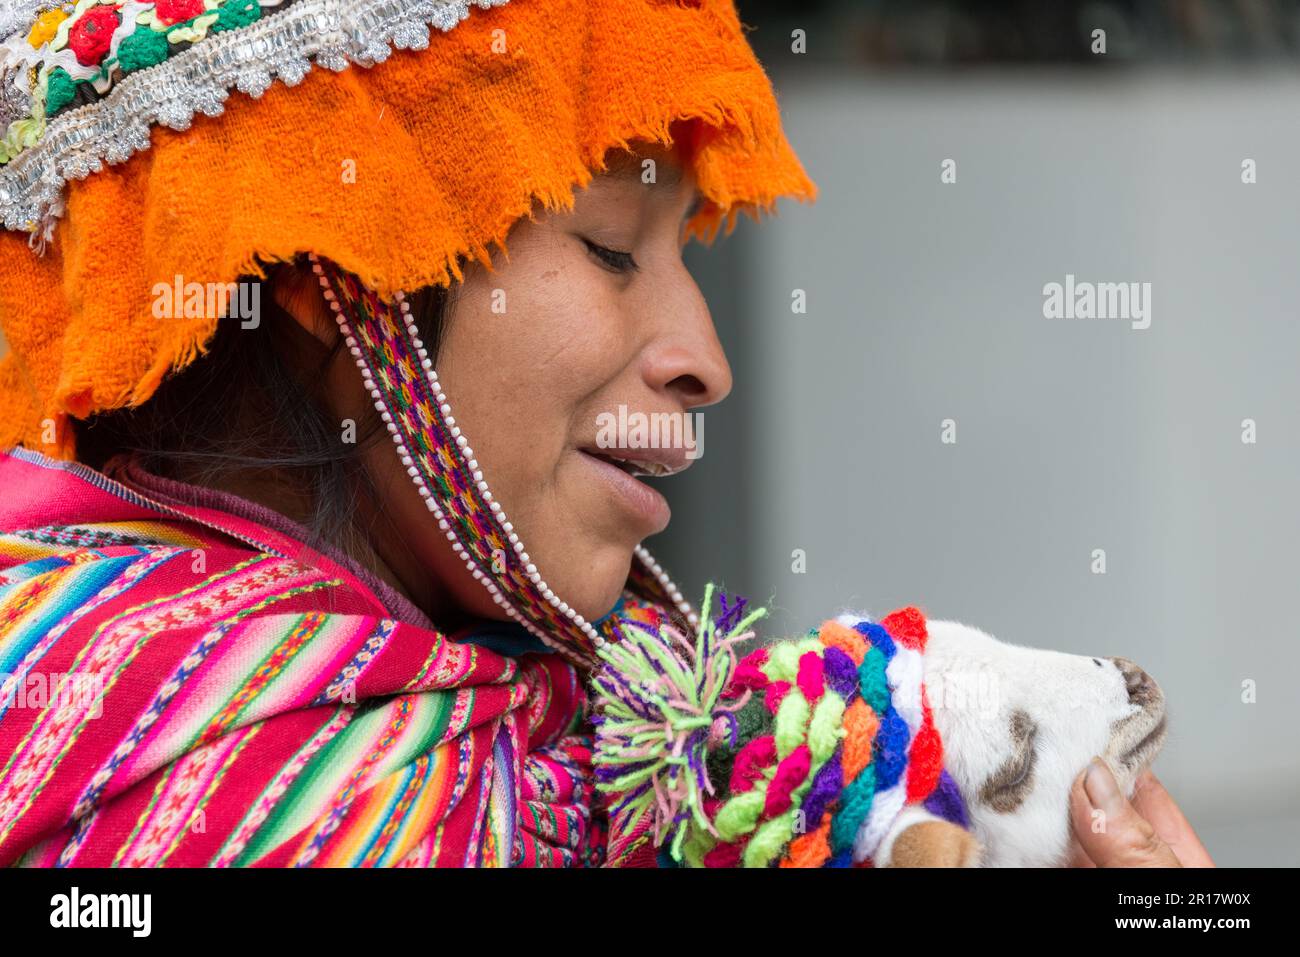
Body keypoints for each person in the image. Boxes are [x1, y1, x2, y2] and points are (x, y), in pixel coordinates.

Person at [0, 0, 1209, 867]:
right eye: (611, 247)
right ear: (343, 267)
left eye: (681, 255)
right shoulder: (209, 782)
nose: (707, 363)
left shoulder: (577, 741)